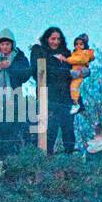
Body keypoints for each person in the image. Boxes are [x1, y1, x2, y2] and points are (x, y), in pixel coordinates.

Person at [0, 28, 33, 153]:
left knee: (12, 125)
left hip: (13, 99)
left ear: (12, 44)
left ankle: (10, 153)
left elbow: (26, 74)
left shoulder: (19, 57)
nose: (5, 47)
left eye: (7, 44)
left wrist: (11, 68)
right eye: (2, 44)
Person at [29, 27, 75, 155]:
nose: (55, 42)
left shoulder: (67, 54)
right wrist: (54, 59)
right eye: (52, 39)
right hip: (48, 97)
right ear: (47, 39)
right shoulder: (40, 52)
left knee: (68, 130)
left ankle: (69, 159)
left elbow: (74, 71)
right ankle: (46, 158)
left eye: (58, 39)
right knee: (50, 129)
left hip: (66, 97)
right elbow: (37, 70)